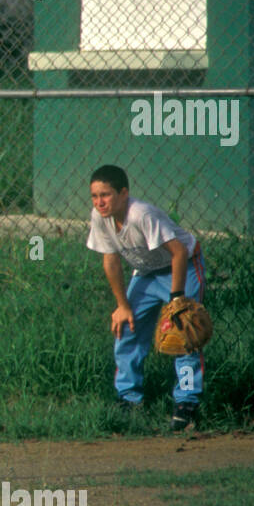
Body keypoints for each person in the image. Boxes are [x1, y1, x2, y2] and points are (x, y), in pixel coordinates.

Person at [86, 165, 208, 432]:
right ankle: (129, 399)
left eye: (105, 195)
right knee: (126, 329)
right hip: (146, 273)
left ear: (123, 193)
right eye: (95, 196)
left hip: (182, 267)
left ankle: (187, 403)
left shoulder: (141, 214)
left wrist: (176, 300)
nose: (99, 202)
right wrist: (122, 305)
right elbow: (111, 260)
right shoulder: (100, 217)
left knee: (185, 334)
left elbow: (178, 253)